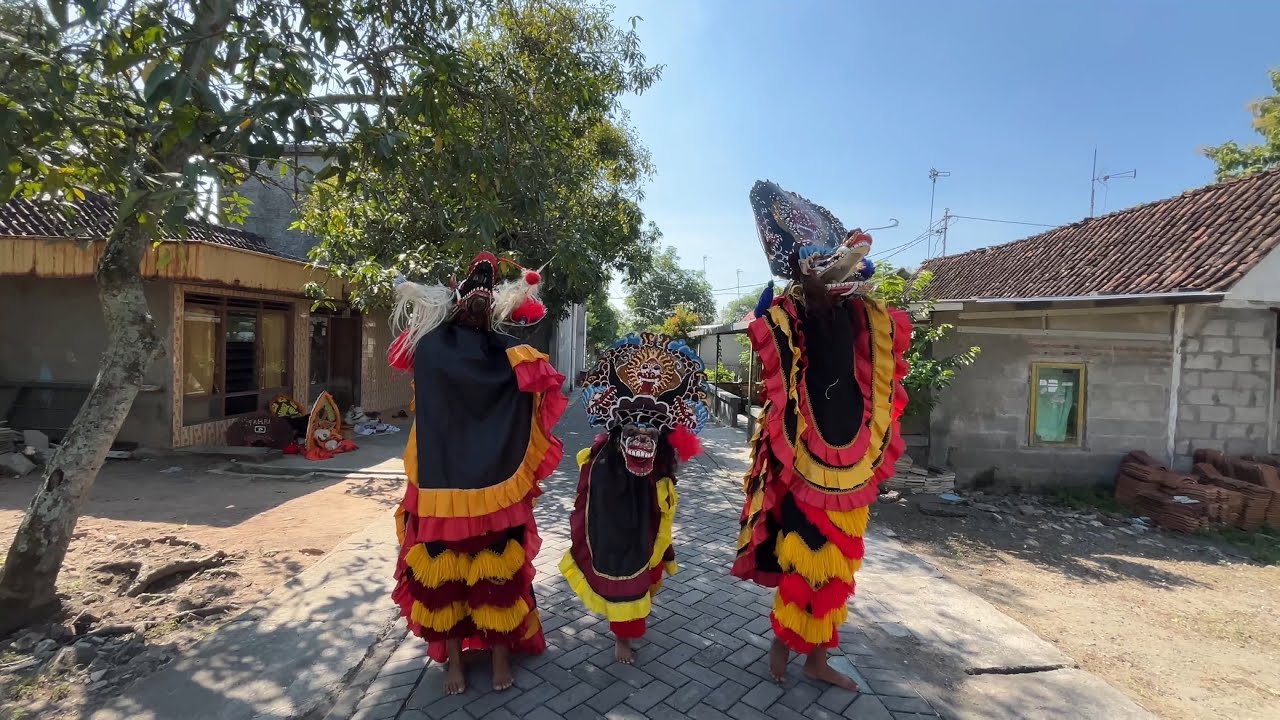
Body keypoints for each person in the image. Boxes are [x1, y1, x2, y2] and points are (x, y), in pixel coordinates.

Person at [730, 181, 912, 690]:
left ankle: (816, 658)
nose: (835, 279)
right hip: (806, 459)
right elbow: (786, 333)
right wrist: (810, 286)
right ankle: (783, 650)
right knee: (804, 558)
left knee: (838, 569)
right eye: (816, 269)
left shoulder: (862, 320)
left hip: (856, 461)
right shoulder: (795, 321)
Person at [388, 251, 567, 695]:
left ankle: (500, 653)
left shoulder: (507, 351)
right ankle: (454, 663)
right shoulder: (431, 347)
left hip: (493, 483)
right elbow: (400, 354)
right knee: (442, 579)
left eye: (485, 303)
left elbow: (545, 382)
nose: (477, 308)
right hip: (439, 480)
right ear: (456, 302)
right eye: (470, 300)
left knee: (497, 576)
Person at [561, 332, 709, 664]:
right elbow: (601, 413)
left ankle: (632, 618)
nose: (651, 373)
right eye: (645, 369)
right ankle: (623, 633)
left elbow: (682, 433)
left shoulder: (671, 411)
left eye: (658, 371)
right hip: (612, 481)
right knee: (617, 548)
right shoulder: (611, 414)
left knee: (646, 549)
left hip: (650, 485)